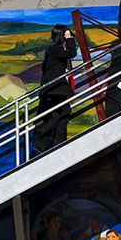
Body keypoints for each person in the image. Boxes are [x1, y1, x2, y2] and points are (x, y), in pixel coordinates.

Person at [32, 24, 77, 153]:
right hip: (54, 90)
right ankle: (45, 145)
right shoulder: (56, 50)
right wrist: (69, 40)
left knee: (62, 114)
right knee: (55, 117)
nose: (70, 38)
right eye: (67, 36)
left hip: (53, 90)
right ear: (61, 37)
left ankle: (58, 143)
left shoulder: (52, 51)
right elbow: (72, 53)